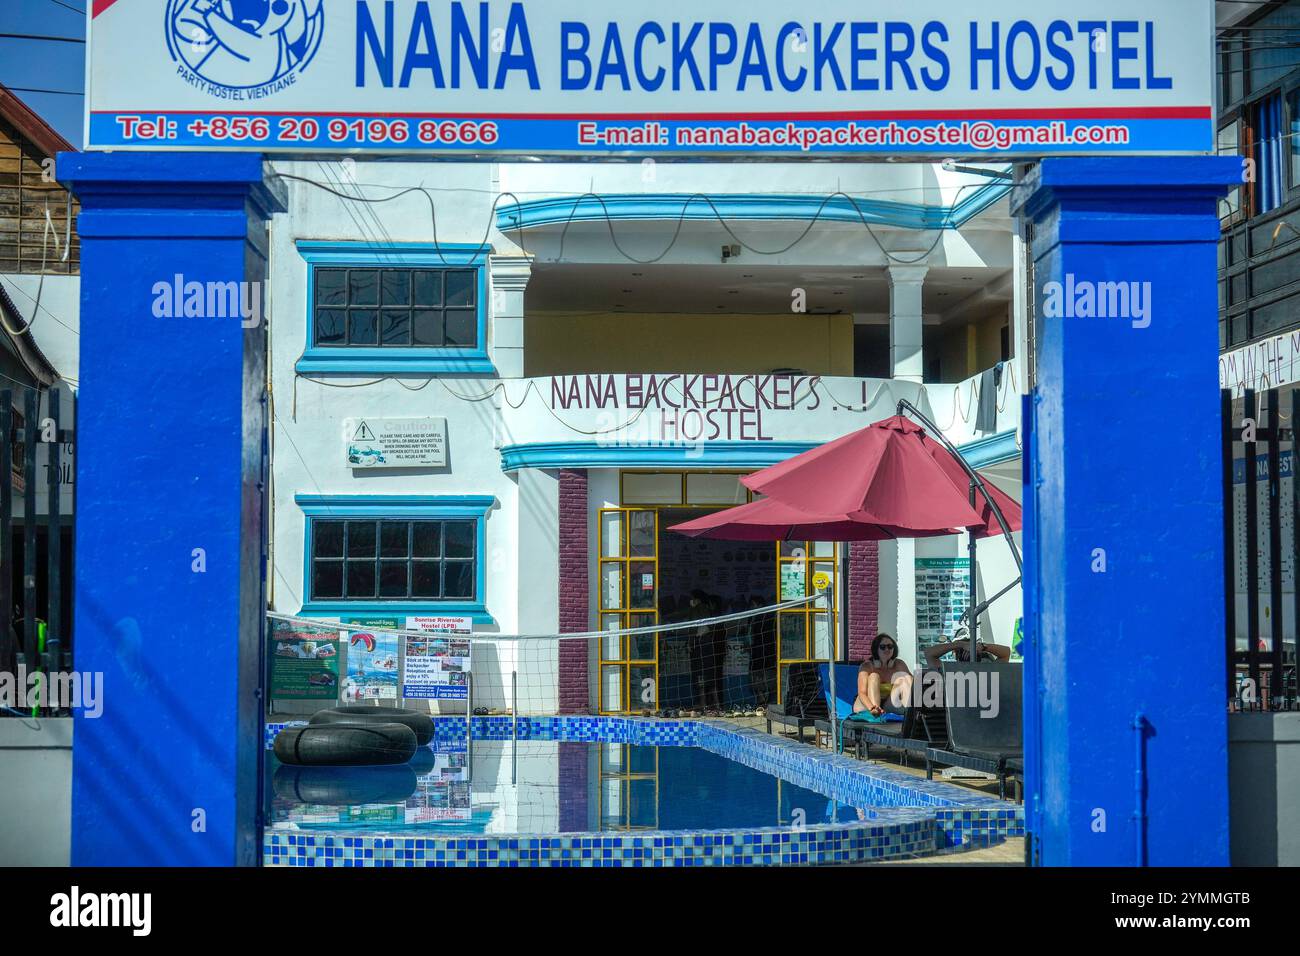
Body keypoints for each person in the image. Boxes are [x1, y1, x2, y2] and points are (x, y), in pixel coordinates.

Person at [856, 633, 912, 717]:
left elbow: (912, 684)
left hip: (887, 705)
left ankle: (911, 711)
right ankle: (876, 713)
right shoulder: (867, 666)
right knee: (874, 676)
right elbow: (862, 693)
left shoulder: (899, 664)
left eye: (890, 646)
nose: (887, 649)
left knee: (906, 678)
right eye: (882, 647)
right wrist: (872, 708)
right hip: (867, 704)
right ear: (876, 649)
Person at [923, 626, 1012, 668]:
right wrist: (961, 645)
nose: (966, 651)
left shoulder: (989, 668)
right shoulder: (953, 671)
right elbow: (928, 653)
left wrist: (982, 646)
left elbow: (1006, 653)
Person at [746, 595, 777, 708]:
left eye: (752, 605)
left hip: (765, 651)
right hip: (757, 651)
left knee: (767, 676)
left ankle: (767, 700)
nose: (751, 607)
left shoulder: (767, 617)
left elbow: (768, 635)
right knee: (756, 676)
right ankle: (762, 699)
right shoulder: (752, 618)